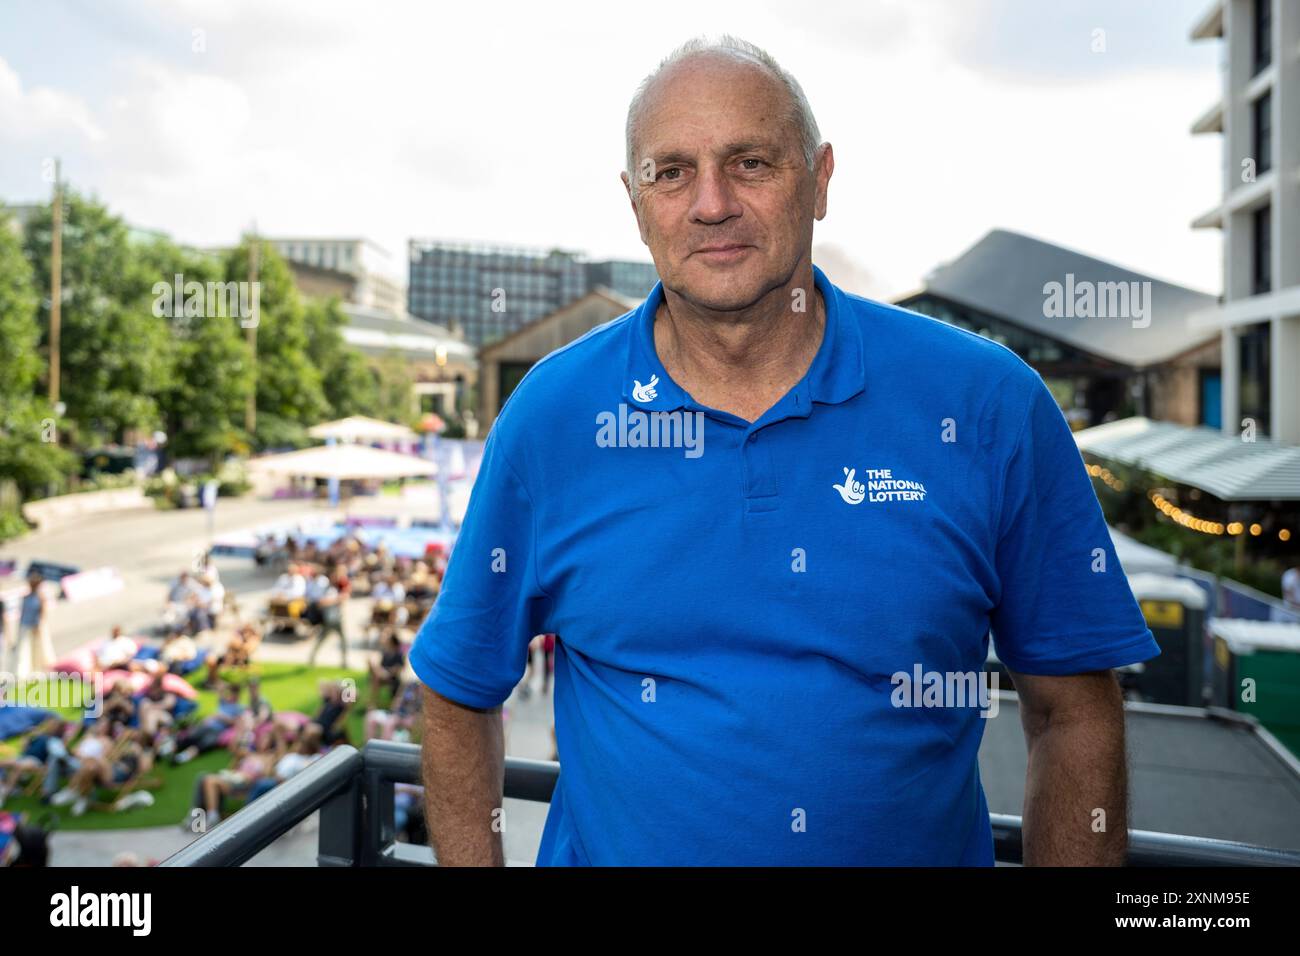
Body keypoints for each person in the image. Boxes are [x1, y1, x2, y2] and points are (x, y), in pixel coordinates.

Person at [410, 37, 1162, 867]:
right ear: (635, 202)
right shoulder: (551, 419)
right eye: (671, 172)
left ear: (820, 178)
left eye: (751, 163)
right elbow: (457, 693)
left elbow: (1074, 711)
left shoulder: (989, 405)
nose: (711, 204)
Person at [6, 571, 52, 678]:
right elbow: (22, 613)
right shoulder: (26, 597)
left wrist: (39, 626)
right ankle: (22, 671)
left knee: (38, 649)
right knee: (23, 650)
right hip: (25, 626)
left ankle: (39, 669)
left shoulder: (40, 598)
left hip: (35, 626)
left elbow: (42, 614)